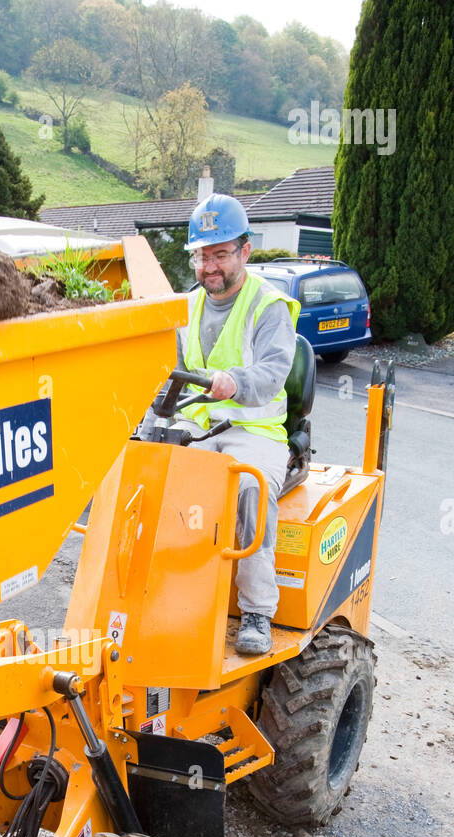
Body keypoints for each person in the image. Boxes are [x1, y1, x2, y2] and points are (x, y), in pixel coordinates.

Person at [180, 194, 300, 656]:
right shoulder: (186, 307)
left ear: (245, 251)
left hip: (254, 433)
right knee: (157, 486)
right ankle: (177, 599)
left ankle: (256, 611)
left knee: (247, 491)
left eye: (220, 254)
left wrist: (234, 382)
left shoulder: (268, 305)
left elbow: (272, 374)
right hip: (198, 429)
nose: (209, 266)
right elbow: (166, 373)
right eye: (202, 255)